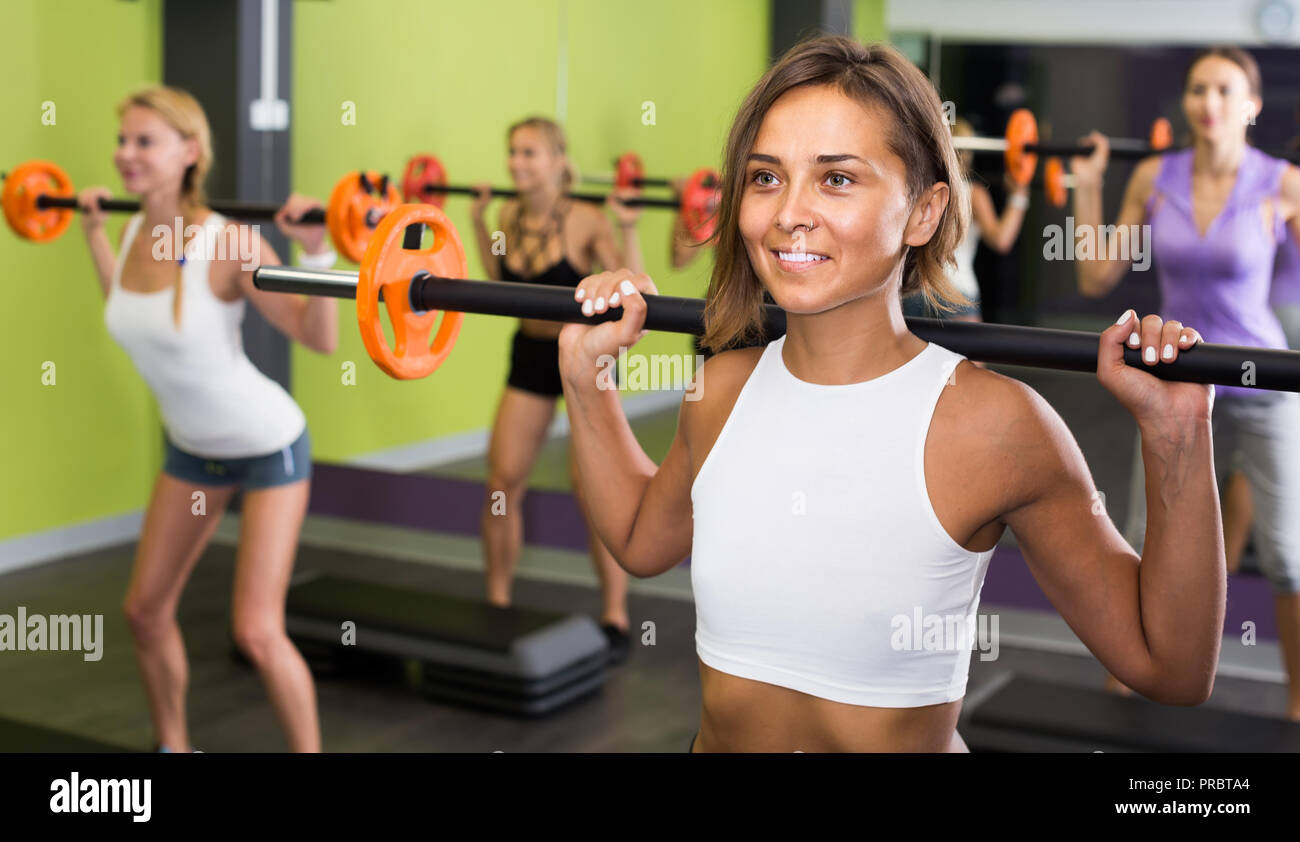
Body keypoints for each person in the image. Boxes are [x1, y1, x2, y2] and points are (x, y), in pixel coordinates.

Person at [557, 36, 1223, 751]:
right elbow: (636, 539)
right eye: (765, 177)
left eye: (836, 179)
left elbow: (1171, 666)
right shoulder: (720, 389)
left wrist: (1177, 436)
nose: (789, 214)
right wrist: (586, 379)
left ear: (924, 212)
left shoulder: (994, 425)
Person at [77, 86, 338, 751]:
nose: (124, 154)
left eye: (144, 142)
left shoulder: (232, 244)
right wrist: (94, 235)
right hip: (194, 450)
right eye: (123, 140)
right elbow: (125, 312)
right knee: (144, 611)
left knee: (256, 630)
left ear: (189, 152)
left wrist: (316, 252)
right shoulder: (133, 227)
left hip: (267, 445)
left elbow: (318, 337)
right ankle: (174, 745)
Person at [1071, 47, 1300, 719]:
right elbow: (1095, 278)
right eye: (1199, 89)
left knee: (1287, 556)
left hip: (1261, 379)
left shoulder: (1282, 181)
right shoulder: (1155, 174)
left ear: (1251, 105)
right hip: (1175, 383)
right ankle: (1130, 694)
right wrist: (1087, 186)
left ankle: (1296, 715)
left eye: (1226, 90)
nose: (1209, 102)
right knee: (1146, 540)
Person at [468, 117, 644, 662]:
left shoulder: (588, 219)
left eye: (529, 153)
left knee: (591, 491)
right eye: (512, 152)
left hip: (580, 358)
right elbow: (499, 284)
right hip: (527, 355)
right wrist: (476, 221)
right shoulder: (506, 215)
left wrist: (630, 227)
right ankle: (497, 602)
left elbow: (636, 291)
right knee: (502, 482)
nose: (516, 163)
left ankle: (615, 615)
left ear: (557, 160)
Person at [901, 117, 1029, 322]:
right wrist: (1019, 195)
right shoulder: (972, 194)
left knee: (911, 355)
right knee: (967, 355)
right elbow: (1001, 240)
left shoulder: (916, 190)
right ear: (966, 152)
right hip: (956, 291)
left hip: (916, 289)